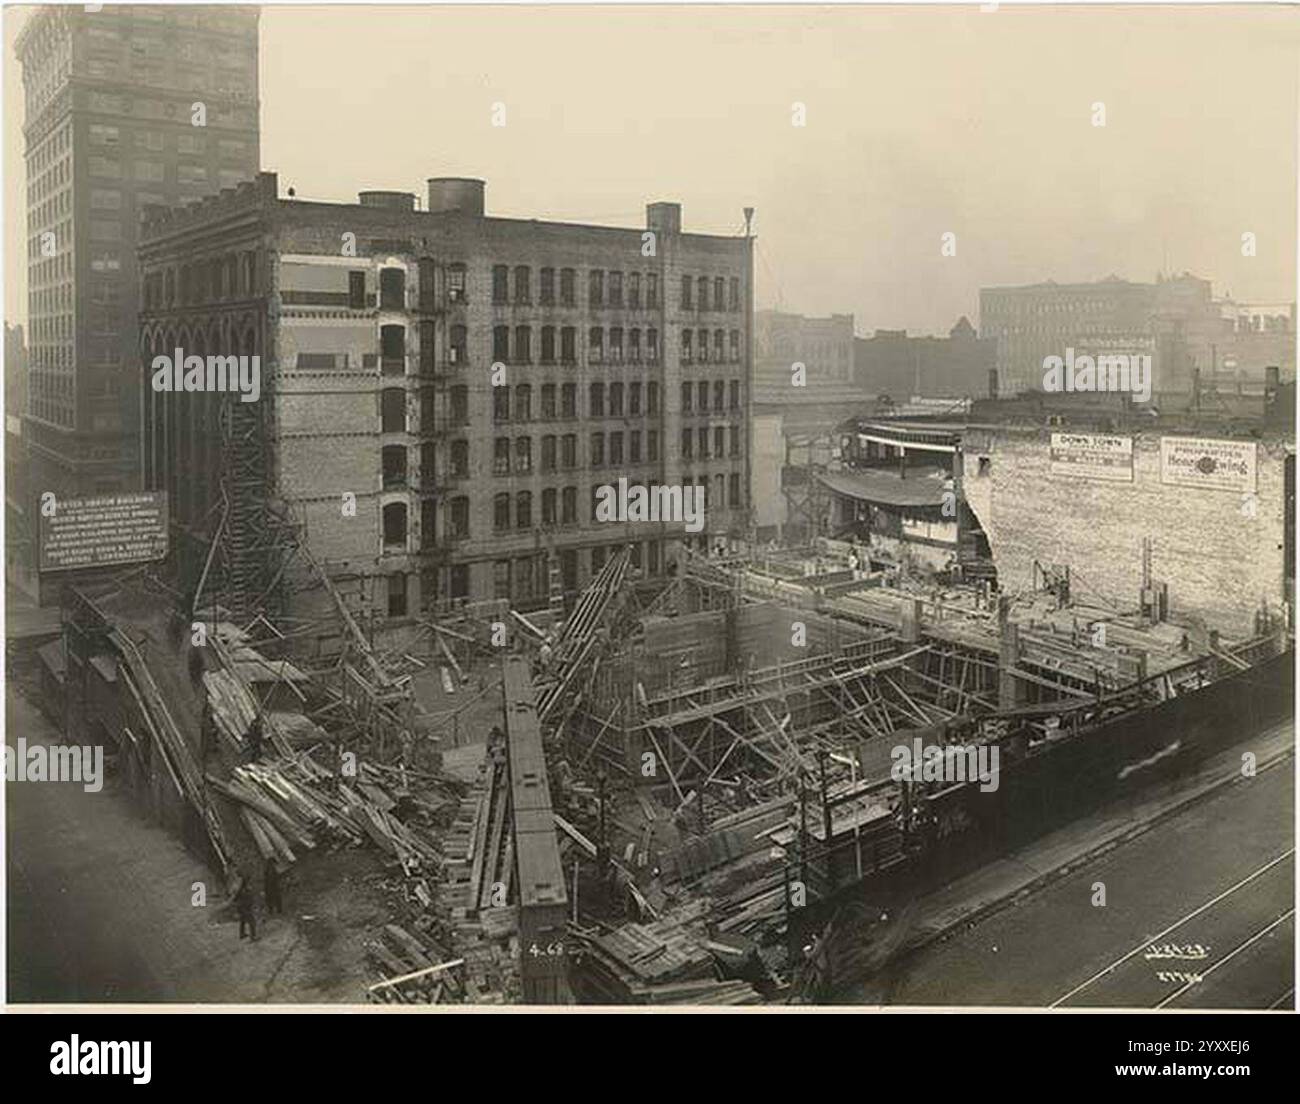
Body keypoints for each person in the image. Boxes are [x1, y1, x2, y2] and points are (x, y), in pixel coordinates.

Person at [234, 875, 257, 941]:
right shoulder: (245, 889)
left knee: (242, 920)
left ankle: (242, 934)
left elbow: (236, 897)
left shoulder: (240, 889)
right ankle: (253, 937)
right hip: (244, 906)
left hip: (241, 906)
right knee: (251, 920)